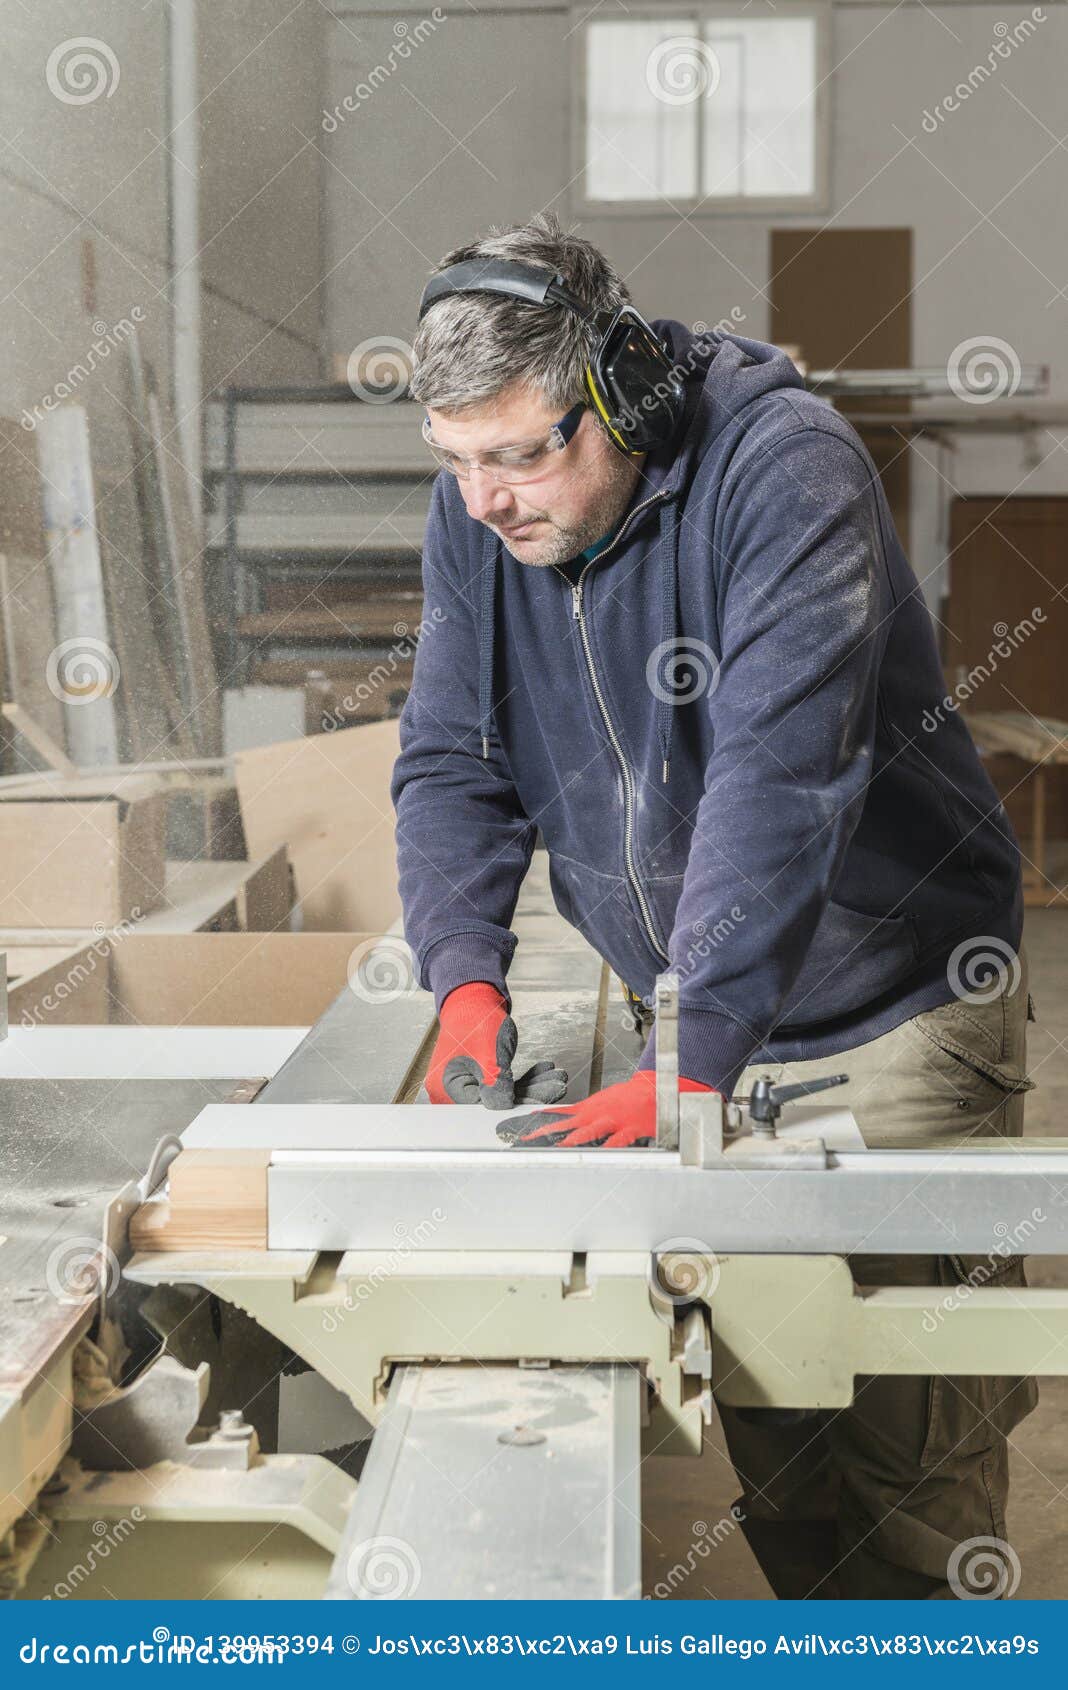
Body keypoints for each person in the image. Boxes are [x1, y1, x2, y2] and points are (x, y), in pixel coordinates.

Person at [390, 213, 1036, 1599]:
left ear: (626, 390)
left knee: (908, 1455)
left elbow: (779, 772)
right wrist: (463, 982)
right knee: (775, 1418)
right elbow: (452, 754)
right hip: (705, 1018)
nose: (487, 502)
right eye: (456, 463)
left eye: (518, 455)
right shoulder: (482, 517)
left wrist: (695, 1045)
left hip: (889, 1007)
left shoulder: (781, 467)